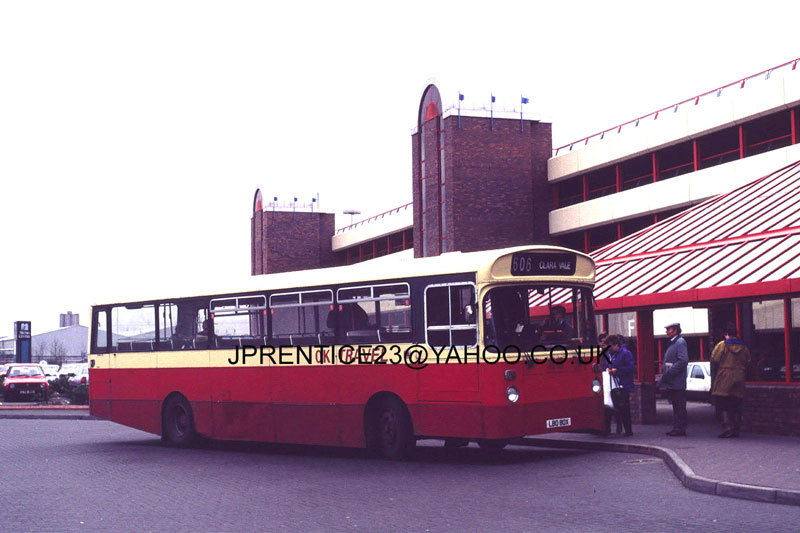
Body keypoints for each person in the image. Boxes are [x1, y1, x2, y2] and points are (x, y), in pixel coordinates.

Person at [710, 323, 751, 438]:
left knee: (722, 403)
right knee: (736, 404)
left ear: (726, 334)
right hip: (739, 376)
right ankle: (736, 429)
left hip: (724, 376)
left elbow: (714, 358)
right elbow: (748, 361)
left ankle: (727, 428)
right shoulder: (744, 346)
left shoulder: (722, 345)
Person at [658, 322, 689, 436]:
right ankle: (677, 427)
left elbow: (683, 361)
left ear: (675, 330)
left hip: (677, 381)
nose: (666, 331)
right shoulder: (673, 342)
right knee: (676, 405)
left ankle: (680, 428)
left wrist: (669, 372)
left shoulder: (680, 342)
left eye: (669, 329)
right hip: (673, 381)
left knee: (679, 405)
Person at [602, 334, 635, 437]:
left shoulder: (626, 353)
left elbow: (631, 368)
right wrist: (606, 369)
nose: (608, 349)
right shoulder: (607, 354)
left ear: (616, 345)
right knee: (608, 407)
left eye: (610, 346)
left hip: (622, 384)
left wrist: (618, 370)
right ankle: (607, 430)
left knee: (624, 408)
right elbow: (603, 365)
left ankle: (628, 431)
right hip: (609, 385)